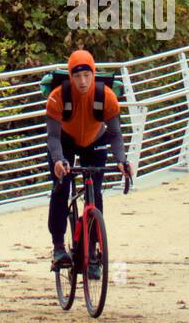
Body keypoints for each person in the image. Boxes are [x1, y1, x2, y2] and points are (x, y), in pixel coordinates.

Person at [46, 49, 133, 275]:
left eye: (87, 75)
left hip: (95, 140)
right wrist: (58, 161)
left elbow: (115, 134)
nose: (82, 81)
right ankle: (58, 248)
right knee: (61, 188)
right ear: (70, 76)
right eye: (77, 76)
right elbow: (53, 137)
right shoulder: (58, 96)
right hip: (64, 141)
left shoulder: (106, 97)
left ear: (93, 75)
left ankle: (93, 251)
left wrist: (122, 160)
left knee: (95, 194)